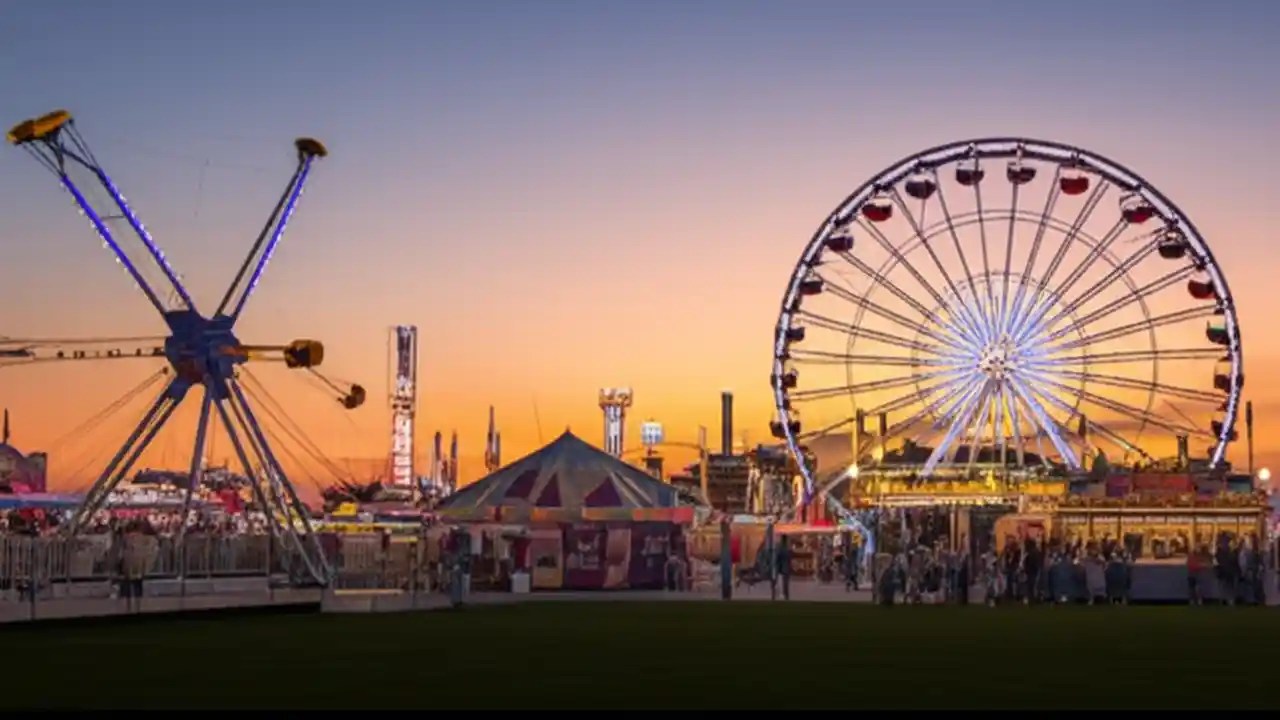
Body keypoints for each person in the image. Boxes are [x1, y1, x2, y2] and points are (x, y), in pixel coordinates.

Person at [775, 535, 792, 601]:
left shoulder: (779, 547)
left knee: (781, 582)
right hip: (786, 567)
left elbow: (777, 557)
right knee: (786, 582)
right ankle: (786, 595)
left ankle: (782, 594)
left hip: (781, 567)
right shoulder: (788, 548)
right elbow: (790, 556)